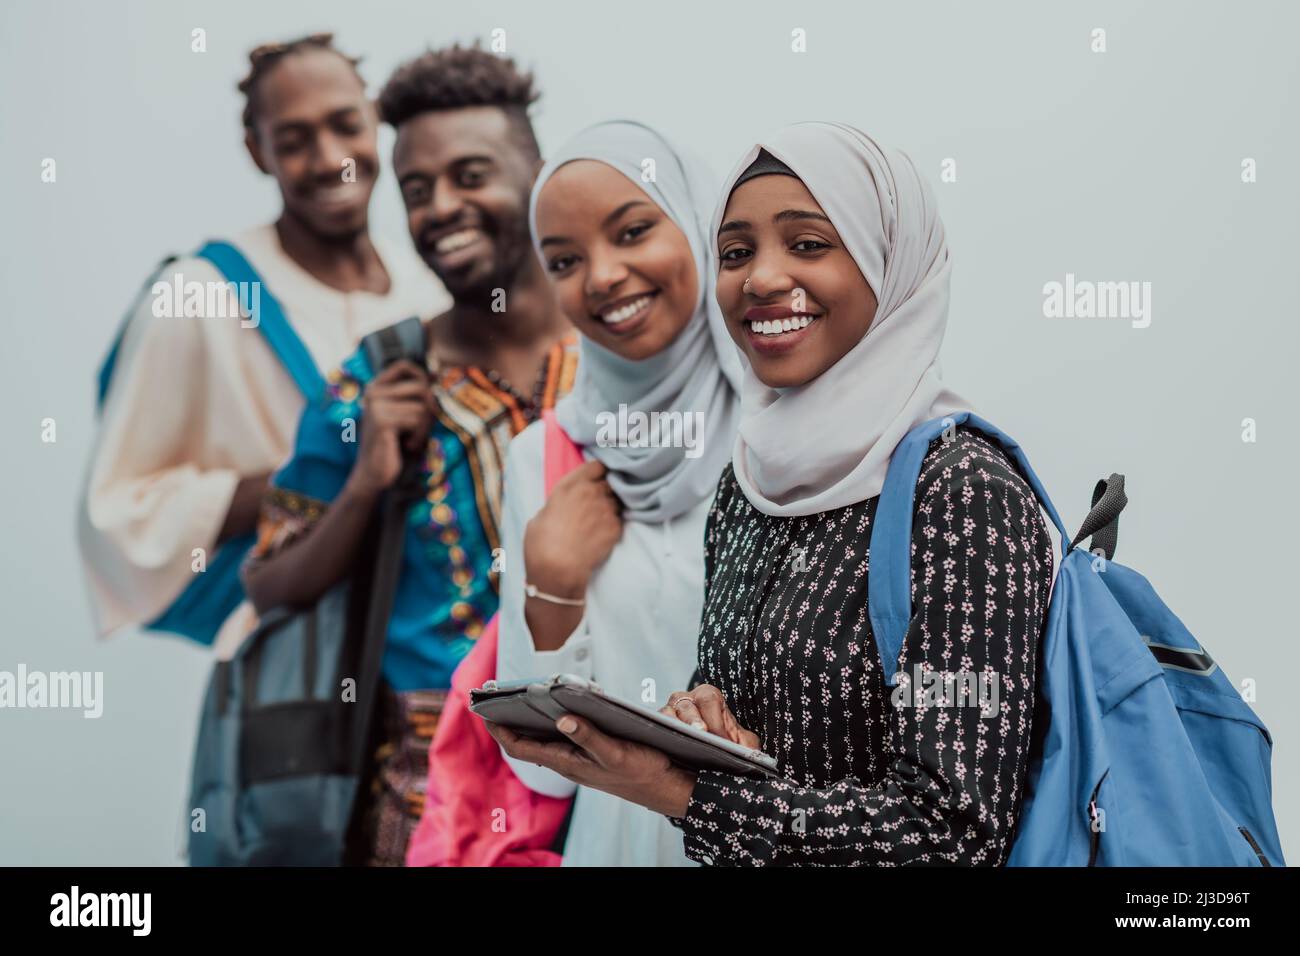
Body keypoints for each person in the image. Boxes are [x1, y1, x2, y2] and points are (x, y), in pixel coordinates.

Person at [486, 121, 1056, 866]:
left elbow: (952, 834)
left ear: (891, 262)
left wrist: (684, 794)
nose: (759, 278)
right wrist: (700, 718)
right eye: (736, 252)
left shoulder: (960, 492)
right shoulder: (752, 480)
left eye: (810, 243)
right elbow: (733, 721)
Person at [242, 43, 574, 866]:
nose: (440, 209)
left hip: (610, 778)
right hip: (429, 801)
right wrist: (365, 484)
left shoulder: (621, 356)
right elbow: (268, 578)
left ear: (537, 175)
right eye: (416, 189)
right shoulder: (372, 381)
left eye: (471, 175)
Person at [78, 33, 445, 649]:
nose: (331, 159)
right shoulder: (199, 293)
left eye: (346, 125)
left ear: (375, 119)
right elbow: (116, 517)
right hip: (293, 662)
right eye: (295, 141)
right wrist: (314, 473)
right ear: (257, 151)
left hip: (429, 652)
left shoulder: (429, 290)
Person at [494, 120, 741, 866]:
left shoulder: (791, 432)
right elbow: (534, 763)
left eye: (633, 231)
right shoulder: (546, 457)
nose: (600, 277)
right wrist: (554, 587)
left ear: (699, 226)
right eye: (564, 260)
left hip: (783, 840)